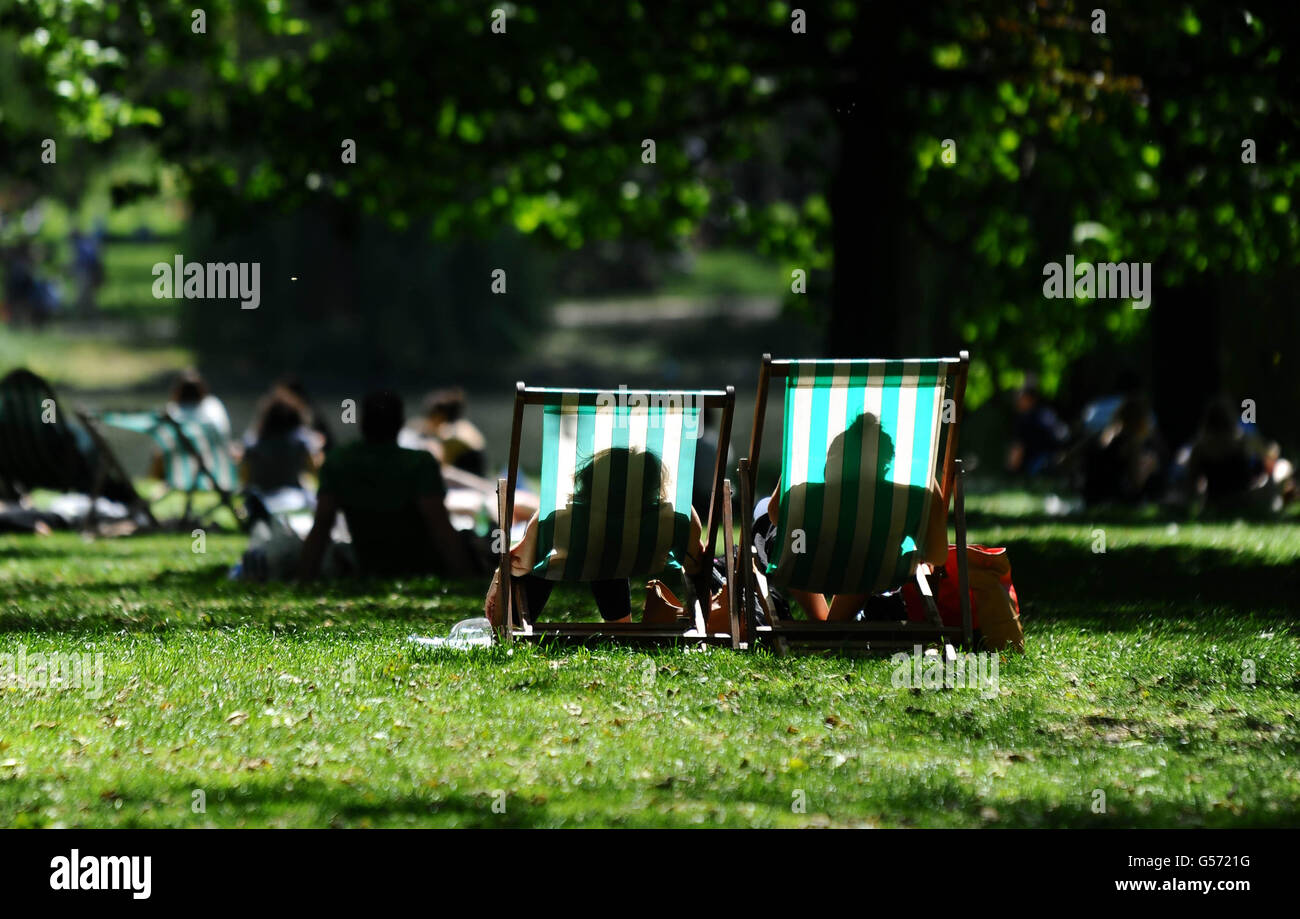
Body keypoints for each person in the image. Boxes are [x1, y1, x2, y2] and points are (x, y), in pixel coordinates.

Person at [752, 413, 948, 622]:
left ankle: (822, 622)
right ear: (887, 462)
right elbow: (937, 556)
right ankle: (834, 626)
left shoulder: (804, 496)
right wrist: (926, 470)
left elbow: (775, 516)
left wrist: (796, 453)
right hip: (875, 569)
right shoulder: (912, 499)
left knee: (771, 521)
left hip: (805, 565)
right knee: (870, 557)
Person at [486, 446, 705, 627]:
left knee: (594, 551)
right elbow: (694, 563)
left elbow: (520, 563)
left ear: (590, 479)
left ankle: (513, 624)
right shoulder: (676, 517)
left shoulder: (559, 517)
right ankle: (622, 629)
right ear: (654, 482)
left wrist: (499, 575)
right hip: (630, 559)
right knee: (612, 552)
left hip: (590, 554)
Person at [298, 390, 479, 579]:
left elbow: (321, 526)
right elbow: (440, 526)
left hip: (368, 563)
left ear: (362, 423)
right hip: (420, 566)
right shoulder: (419, 463)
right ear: (400, 423)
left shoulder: (338, 462)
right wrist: (465, 575)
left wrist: (303, 579)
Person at [240, 387, 321, 510]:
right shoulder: (301, 441)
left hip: (261, 499)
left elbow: (245, 480)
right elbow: (314, 470)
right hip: (295, 498)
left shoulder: (253, 442)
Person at [1081, 394, 1165, 507]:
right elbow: (1135, 483)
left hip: (1091, 497)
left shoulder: (1099, 435)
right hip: (1115, 499)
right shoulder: (1132, 442)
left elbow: (1066, 461)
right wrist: (1148, 468)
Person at [399, 387, 488, 476]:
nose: (427, 420)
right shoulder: (463, 426)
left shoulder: (449, 435)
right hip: (476, 474)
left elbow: (442, 466)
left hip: (471, 479)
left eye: (429, 415)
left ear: (439, 416)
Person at [1006, 376, 1070, 476]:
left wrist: (1010, 473)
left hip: (1041, 464)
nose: (1017, 400)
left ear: (1028, 399)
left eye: (1020, 397)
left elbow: (1018, 449)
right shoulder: (1046, 412)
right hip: (1059, 459)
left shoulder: (1026, 419)